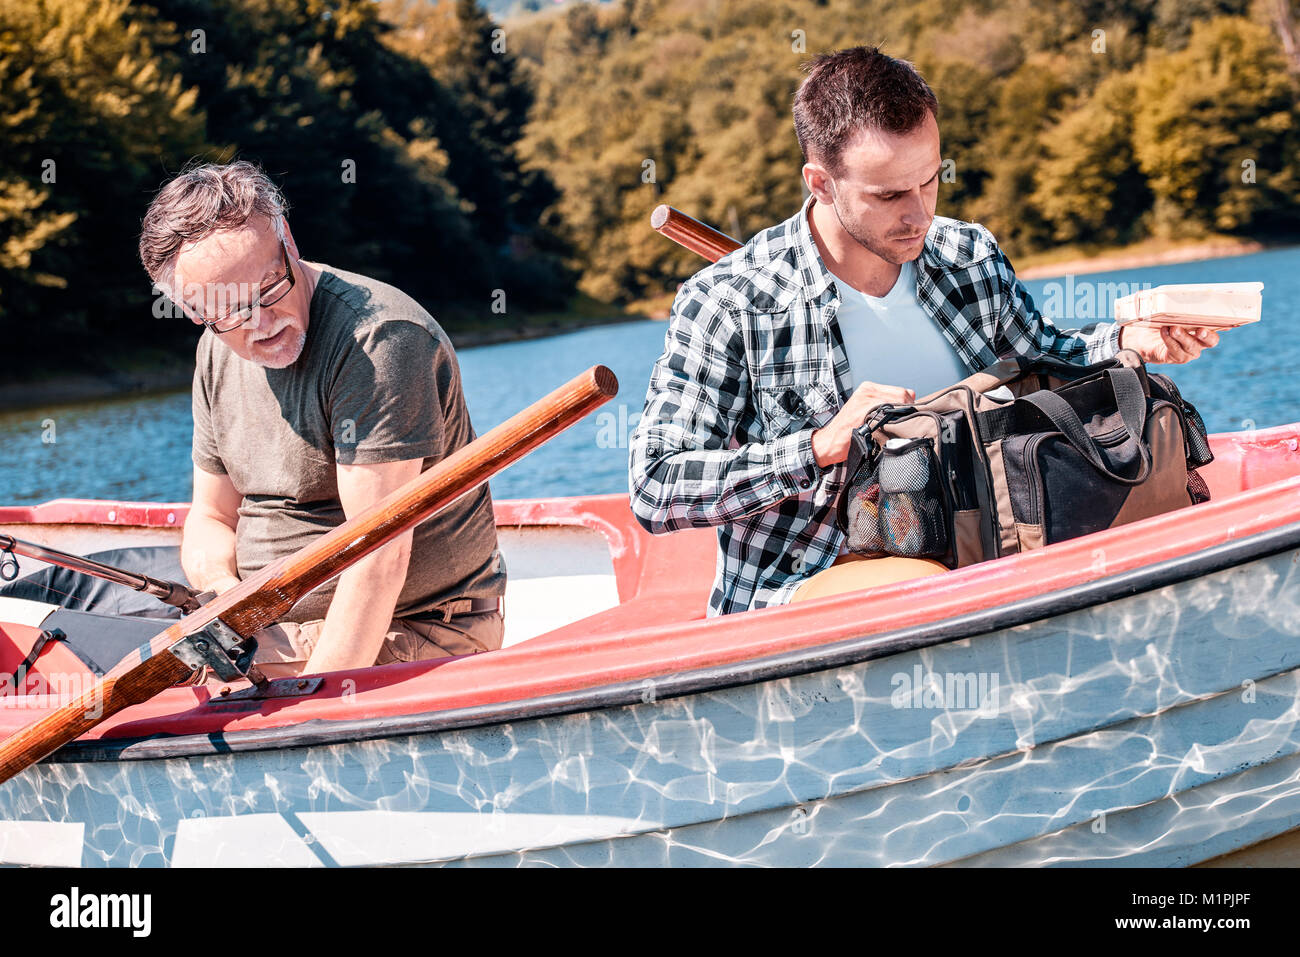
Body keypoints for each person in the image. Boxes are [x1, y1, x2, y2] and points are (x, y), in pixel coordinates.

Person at [628, 46, 1220, 617]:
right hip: (809, 579)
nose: (919, 215)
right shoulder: (728, 302)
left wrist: (1128, 340)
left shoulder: (969, 254)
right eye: (888, 195)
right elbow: (655, 487)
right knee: (925, 584)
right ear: (820, 182)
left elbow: (1043, 355)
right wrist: (815, 448)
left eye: (930, 181)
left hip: (986, 541)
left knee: (1163, 494)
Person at [138, 161, 506, 676]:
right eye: (226, 313)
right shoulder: (214, 352)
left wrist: (317, 712)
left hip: (412, 625)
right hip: (267, 626)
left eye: (268, 287)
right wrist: (224, 598)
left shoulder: (380, 341)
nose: (260, 324)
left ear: (287, 239)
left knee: (169, 709)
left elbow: (377, 560)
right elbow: (211, 518)